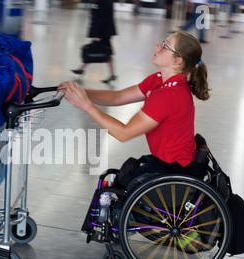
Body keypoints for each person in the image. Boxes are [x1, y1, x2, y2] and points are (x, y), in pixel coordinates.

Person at [59, 31, 210, 186]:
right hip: (170, 162)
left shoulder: (169, 96)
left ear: (177, 61)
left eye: (165, 46)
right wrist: (81, 93)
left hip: (175, 169)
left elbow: (123, 133)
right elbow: (117, 97)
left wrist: (86, 105)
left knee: (116, 186)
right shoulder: (160, 80)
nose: (157, 46)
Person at [71, 0, 117, 83]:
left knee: (95, 50)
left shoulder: (104, 2)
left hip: (103, 32)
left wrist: (98, 34)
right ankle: (112, 74)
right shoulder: (99, 1)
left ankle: (81, 69)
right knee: (106, 51)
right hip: (103, 31)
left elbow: (103, 18)